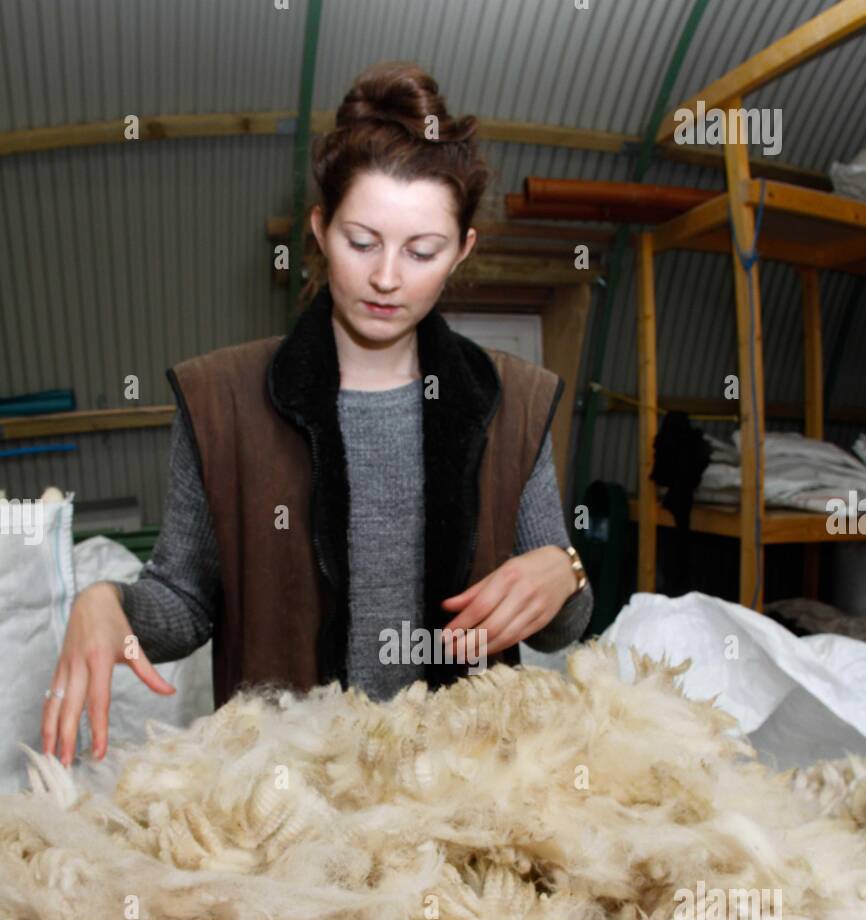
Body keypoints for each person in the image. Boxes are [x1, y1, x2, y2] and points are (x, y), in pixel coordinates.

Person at [42, 60, 593, 768]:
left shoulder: (512, 401)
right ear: (319, 228)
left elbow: (560, 628)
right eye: (361, 242)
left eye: (422, 251)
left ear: (461, 252)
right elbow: (184, 601)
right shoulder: (226, 400)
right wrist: (106, 603)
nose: (387, 277)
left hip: (464, 794)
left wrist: (567, 569)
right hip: (290, 808)